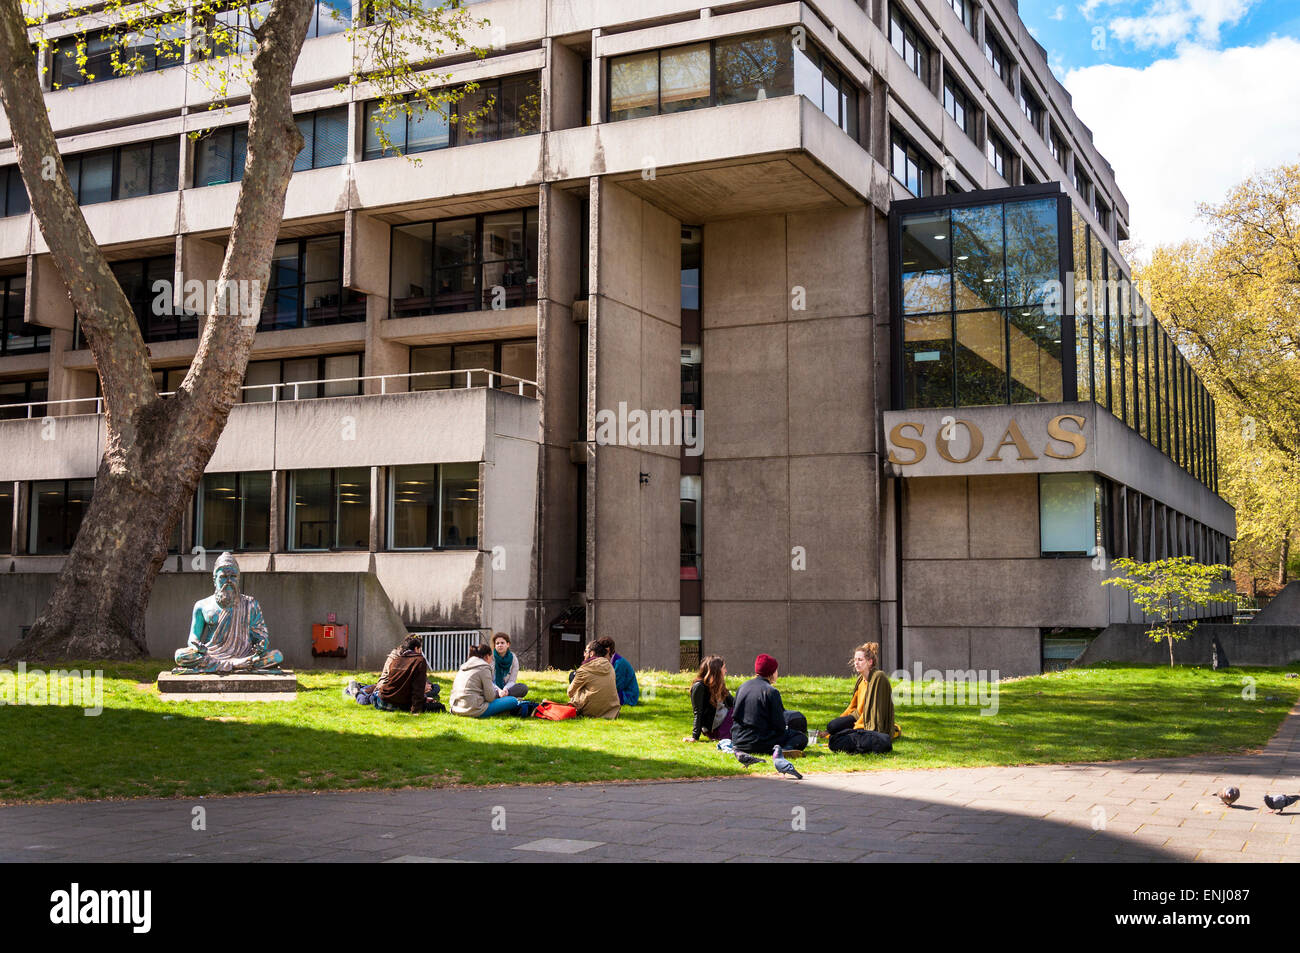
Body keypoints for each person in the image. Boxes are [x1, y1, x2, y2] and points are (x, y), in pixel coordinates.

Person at [731, 653, 807, 753]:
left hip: (738, 740)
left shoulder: (742, 687)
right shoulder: (771, 691)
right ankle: (785, 750)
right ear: (772, 672)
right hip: (760, 741)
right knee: (800, 737)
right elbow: (779, 726)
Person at [345, 636, 440, 714]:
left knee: (435, 687)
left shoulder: (399, 659)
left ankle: (361, 691)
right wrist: (417, 709)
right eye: (420, 648)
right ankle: (356, 692)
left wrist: (426, 689)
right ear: (416, 648)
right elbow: (406, 682)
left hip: (390, 694)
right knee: (367, 697)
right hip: (389, 690)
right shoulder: (413, 659)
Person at [826, 642, 897, 739]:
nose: (856, 663)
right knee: (832, 726)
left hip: (871, 719)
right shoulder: (860, 680)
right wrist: (841, 719)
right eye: (855, 660)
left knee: (844, 736)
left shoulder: (878, 677)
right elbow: (853, 706)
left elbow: (873, 709)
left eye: (860, 660)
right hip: (857, 716)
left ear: (870, 662)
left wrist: (857, 727)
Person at [450, 644, 521, 718]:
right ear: (487, 656)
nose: (491, 661)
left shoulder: (463, 667)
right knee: (513, 701)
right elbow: (490, 697)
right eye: (491, 658)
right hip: (474, 709)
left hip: (456, 708)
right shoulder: (484, 667)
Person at [683, 655, 734, 742]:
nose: (726, 671)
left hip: (725, 721)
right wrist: (695, 737)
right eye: (724, 668)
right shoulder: (699, 687)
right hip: (715, 729)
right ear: (716, 670)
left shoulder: (719, 684)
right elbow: (698, 713)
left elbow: (734, 703)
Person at [567, 641, 621, 719]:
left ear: (591, 653)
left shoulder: (584, 670)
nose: (584, 654)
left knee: (572, 675)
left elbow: (570, 693)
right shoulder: (610, 667)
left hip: (591, 711)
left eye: (585, 651)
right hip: (612, 711)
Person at [596, 636, 640, 706]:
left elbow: (617, 686)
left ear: (608, 650)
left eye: (600, 652)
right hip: (619, 692)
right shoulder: (611, 661)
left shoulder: (619, 663)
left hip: (628, 696)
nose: (599, 655)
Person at [491, 632, 529, 699]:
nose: (500, 645)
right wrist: (499, 690)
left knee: (523, 688)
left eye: (502, 643)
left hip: (507, 689)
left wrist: (505, 690)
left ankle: (504, 696)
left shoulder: (513, 658)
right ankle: (502, 697)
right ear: (494, 646)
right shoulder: (490, 658)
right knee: (485, 691)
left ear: (508, 644)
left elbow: (512, 681)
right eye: (497, 643)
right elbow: (488, 681)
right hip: (493, 688)